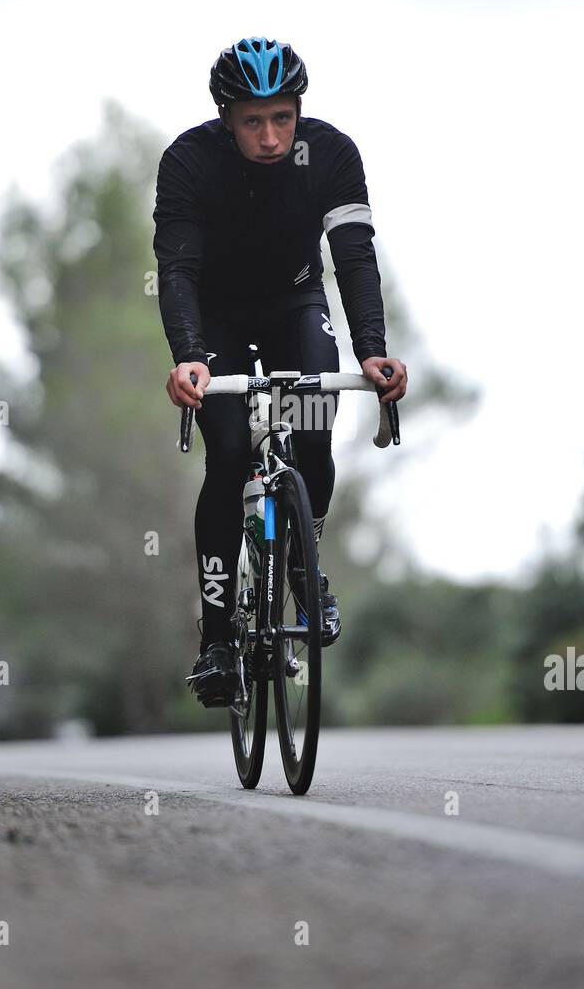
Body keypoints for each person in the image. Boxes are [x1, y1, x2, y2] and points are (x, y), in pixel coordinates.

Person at [152, 36, 407, 708]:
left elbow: (352, 259)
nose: (269, 137)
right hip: (216, 321)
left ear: (298, 111)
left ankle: (302, 563)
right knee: (230, 454)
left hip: (297, 302)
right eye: (252, 121)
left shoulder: (329, 154)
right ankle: (214, 640)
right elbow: (175, 270)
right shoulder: (189, 161)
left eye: (281, 118)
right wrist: (186, 355)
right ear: (225, 118)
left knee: (315, 432)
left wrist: (371, 349)